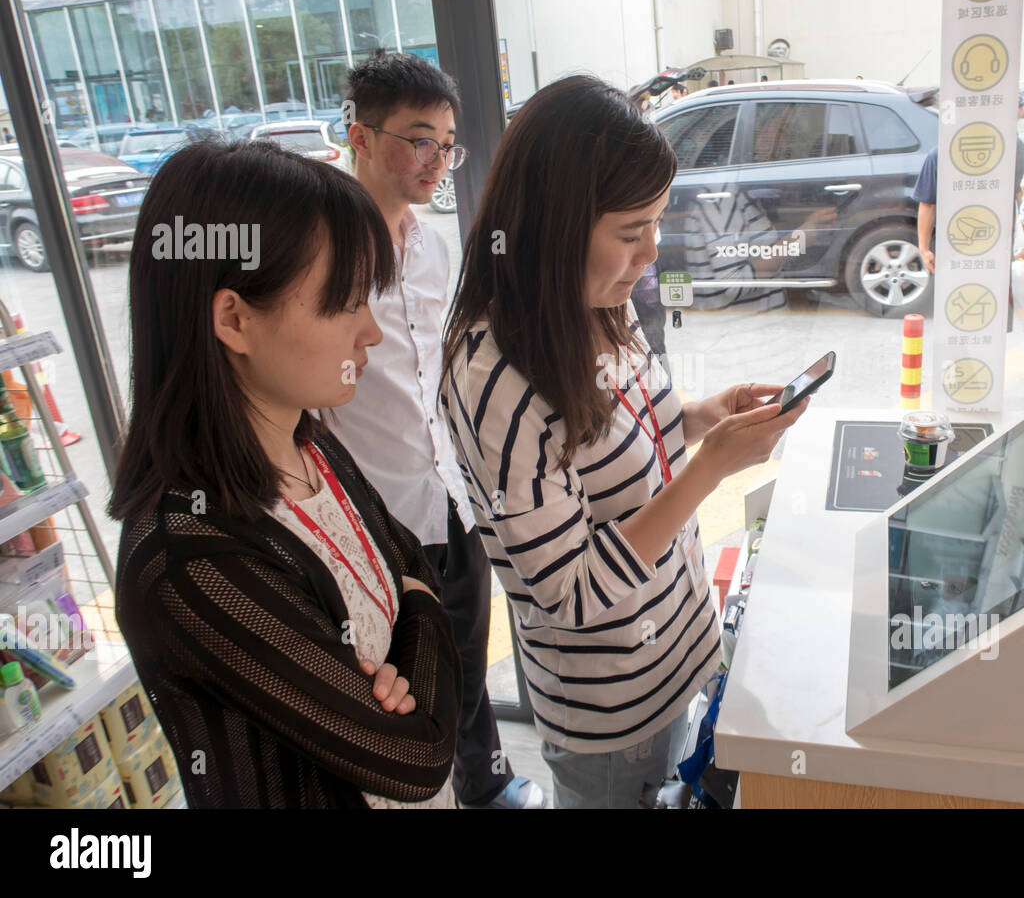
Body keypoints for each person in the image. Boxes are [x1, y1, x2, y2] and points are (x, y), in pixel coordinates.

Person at [439, 74, 809, 808]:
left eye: (659, 223)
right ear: (554, 227)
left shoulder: (596, 300)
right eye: (632, 230)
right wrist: (708, 471)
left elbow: (624, 432)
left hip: (677, 643)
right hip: (611, 704)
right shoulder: (492, 381)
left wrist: (706, 415)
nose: (652, 251)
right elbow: (570, 594)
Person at [109, 140, 462, 808]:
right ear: (235, 319)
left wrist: (413, 613)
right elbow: (417, 758)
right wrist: (422, 607)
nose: (371, 333)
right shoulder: (190, 558)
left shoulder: (309, 441)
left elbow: (411, 556)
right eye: (346, 303)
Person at [330, 50, 546, 809]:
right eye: (420, 139)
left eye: (447, 144)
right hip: (373, 513)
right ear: (360, 137)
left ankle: (485, 786)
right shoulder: (325, 252)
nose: (438, 160)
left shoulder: (435, 245)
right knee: (403, 680)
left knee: (465, 657)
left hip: (450, 492)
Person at [915, 93, 1024, 331]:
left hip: (980, 250)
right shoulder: (941, 153)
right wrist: (923, 246)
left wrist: (925, 247)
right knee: (975, 318)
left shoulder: (1012, 147)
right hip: (972, 251)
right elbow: (927, 203)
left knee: (976, 318)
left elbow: (1023, 195)